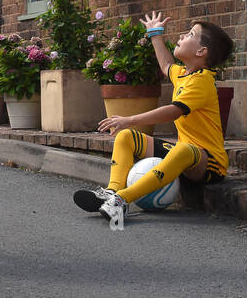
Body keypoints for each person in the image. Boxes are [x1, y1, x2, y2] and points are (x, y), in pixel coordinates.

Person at [74, 12, 233, 224]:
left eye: (189, 35)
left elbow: (174, 110)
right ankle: (112, 192)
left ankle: (122, 200)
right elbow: (166, 66)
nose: (181, 37)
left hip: (207, 163)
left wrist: (129, 119)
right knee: (127, 137)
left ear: (201, 51)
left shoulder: (202, 81)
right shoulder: (184, 74)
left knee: (183, 149)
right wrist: (155, 34)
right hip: (181, 156)